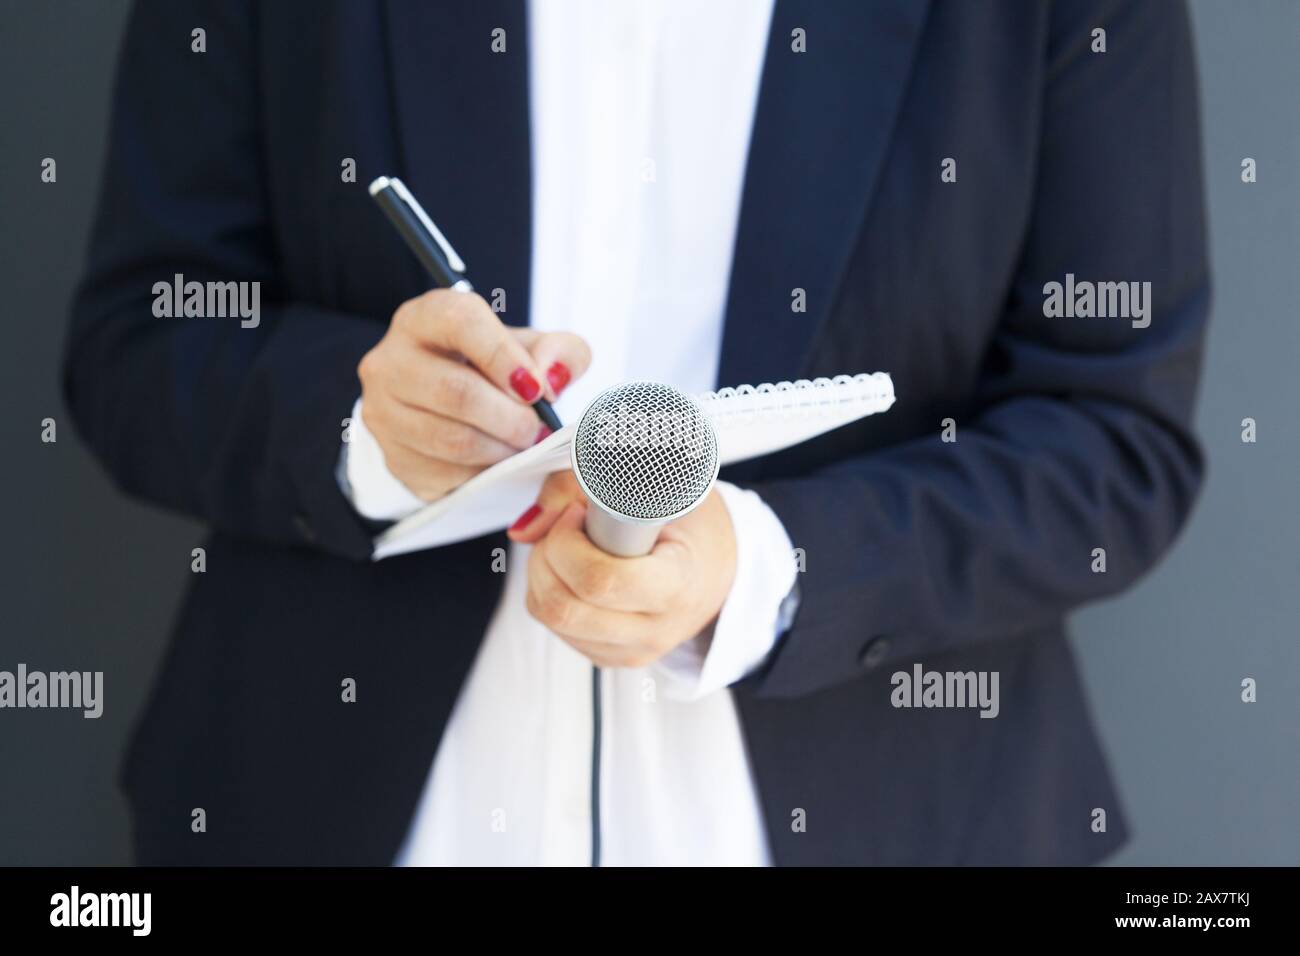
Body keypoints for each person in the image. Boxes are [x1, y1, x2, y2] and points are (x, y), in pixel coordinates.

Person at [65, 0, 1209, 865]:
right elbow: (138, 337)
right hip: (334, 802)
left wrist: (763, 566)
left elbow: (1112, 439)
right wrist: (370, 428)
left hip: (892, 811)